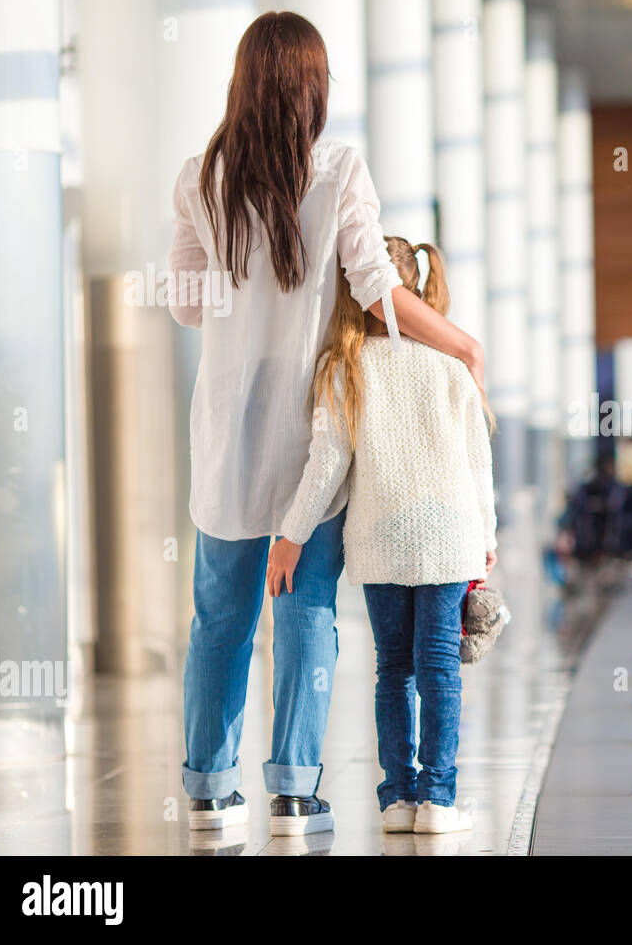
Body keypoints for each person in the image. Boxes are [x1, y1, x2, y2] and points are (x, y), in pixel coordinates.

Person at [167, 12, 484, 837]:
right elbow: (377, 286)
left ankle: (206, 792)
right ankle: (296, 793)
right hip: (314, 436)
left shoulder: (198, 178)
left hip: (224, 441)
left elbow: (185, 306)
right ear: (312, 89)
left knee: (220, 620)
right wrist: (461, 345)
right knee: (305, 616)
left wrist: (246, 291)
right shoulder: (339, 169)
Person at [266, 238, 497, 835]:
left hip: (381, 536)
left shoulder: (342, 367)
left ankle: (396, 799)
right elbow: (478, 463)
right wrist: (487, 534)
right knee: (440, 667)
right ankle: (438, 802)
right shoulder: (451, 366)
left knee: (393, 668)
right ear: (415, 290)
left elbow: (327, 463)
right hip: (450, 534)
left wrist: (291, 534)